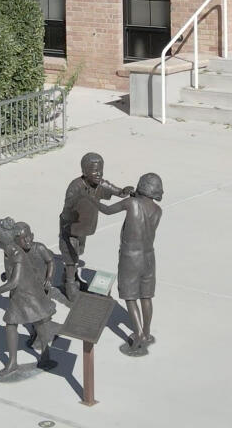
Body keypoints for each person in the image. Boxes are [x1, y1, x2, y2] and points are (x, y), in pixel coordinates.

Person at [0, 219, 57, 378]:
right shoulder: (11, 249)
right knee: (14, 323)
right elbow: (14, 274)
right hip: (20, 295)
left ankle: (43, 355)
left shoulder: (15, 252)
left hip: (29, 294)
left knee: (36, 322)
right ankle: (16, 362)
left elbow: (14, 281)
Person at [98, 171, 163, 353]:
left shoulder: (131, 203)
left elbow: (107, 210)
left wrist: (92, 200)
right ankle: (147, 332)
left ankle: (139, 334)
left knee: (130, 296)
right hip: (149, 257)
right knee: (146, 296)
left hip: (130, 257)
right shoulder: (158, 210)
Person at [57, 151, 121, 297]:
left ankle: (69, 276)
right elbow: (67, 207)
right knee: (71, 255)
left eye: (101, 170)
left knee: (78, 252)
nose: (98, 174)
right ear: (84, 172)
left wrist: (124, 191)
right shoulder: (75, 186)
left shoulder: (100, 185)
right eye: (94, 171)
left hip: (84, 227)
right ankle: (70, 282)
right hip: (71, 227)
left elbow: (115, 190)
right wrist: (79, 200)